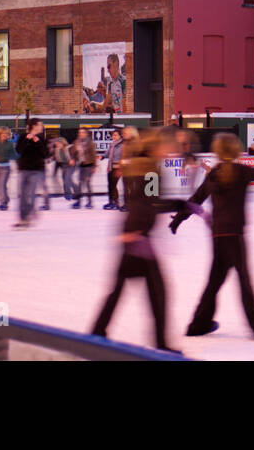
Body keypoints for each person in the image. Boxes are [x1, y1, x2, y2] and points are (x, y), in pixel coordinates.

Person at [170, 133, 254, 339]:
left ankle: (199, 324)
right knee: (243, 281)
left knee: (214, 281)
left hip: (218, 236)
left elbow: (195, 200)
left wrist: (178, 220)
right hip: (235, 235)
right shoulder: (240, 171)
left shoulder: (213, 174)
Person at [91, 130, 179, 353]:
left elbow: (145, 200)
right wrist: (137, 232)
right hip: (138, 236)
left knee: (121, 290)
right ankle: (160, 343)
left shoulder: (137, 165)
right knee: (157, 291)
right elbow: (147, 203)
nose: (167, 151)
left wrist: (180, 205)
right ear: (153, 148)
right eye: (164, 147)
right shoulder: (149, 169)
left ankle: (97, 333)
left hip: (133, 232)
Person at [15, 117, 49, 228]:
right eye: (40, 125)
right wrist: (27, 139)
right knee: (23, 195)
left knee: (31, 194)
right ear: (34, 126)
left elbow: (45, 154)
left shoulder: (42, 139)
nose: (42, 127)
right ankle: (23, 218)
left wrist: (38, 142)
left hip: (36, 170)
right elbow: (18, 150)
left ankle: (29, 215)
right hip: (24, 169)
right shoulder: (23, 137)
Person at [0, 128, 17, 211]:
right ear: (0, 134)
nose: (5, 135)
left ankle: (3, 203)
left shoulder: (10, 144)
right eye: (3, 133)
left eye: (6, 134)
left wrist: (19, 159)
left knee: (2, 185)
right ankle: (6, 199)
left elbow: (14, 154)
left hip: (6, 167)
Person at [73, 128, 98, 209]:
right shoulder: (76, 142)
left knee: (87, 183)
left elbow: (93, 155)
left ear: (86, 134)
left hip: (89, 165)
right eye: (80, 132)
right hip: (80, 165)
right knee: (80, 183)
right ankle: (78, 202)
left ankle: (90, 202)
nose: (81, 134)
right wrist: (73, 157)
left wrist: (94, 166)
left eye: (83, 132)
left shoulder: (90, 143)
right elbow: (74, 153)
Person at [105, 129, 125, 210]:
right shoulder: (112, 144)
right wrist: (102, 156)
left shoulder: (122, 145)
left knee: (113, 185)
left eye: (116, 135)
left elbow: (123, 156)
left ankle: (115, 202)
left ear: (120, 136)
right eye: (113, 135)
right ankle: (111, 201)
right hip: (111, 167)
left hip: (118, 168)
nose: (114, 136)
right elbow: (107, 153)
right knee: (110, 185)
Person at [51, 135, 75, 202]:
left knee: (67, 180)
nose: (56, 144)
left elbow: (75, 155)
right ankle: (72, 193)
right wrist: (54, 172)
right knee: (66, 180)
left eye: (58, 143)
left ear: (62, 143)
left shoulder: (69, 148)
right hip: (63, 166)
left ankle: (68, 194)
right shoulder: (56, 150)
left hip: (71, 166)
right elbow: (56, 161)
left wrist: (72, 159)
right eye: (56, 143)